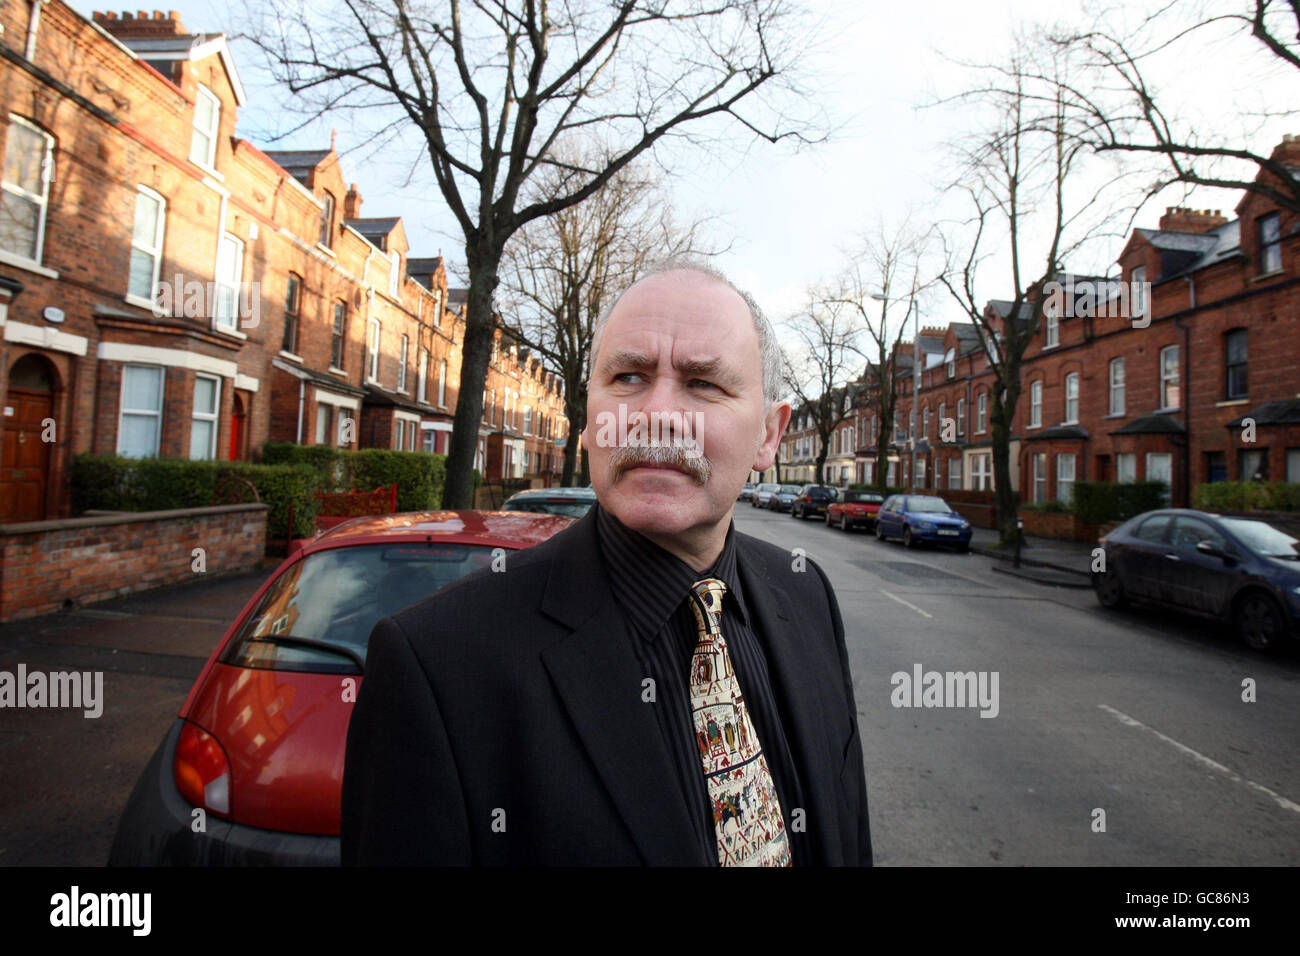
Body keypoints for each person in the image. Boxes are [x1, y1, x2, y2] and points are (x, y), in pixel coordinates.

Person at [341, 261, 872, 865]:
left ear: (769, 438)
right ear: (588, 420)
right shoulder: (437, 665)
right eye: (627, 376)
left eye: (704, 384)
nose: (657, 413)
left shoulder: (807, 596)